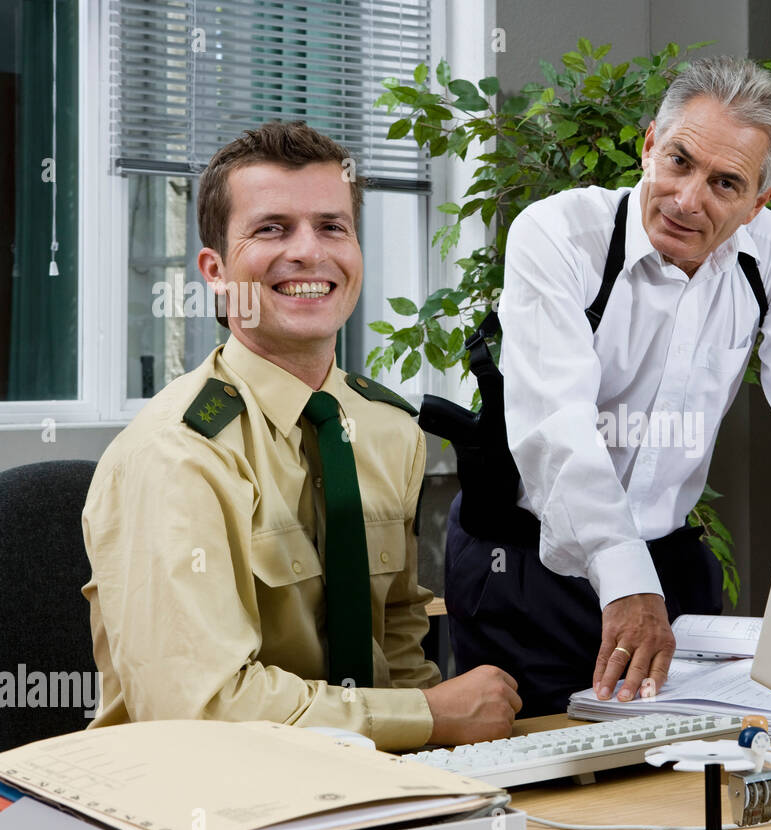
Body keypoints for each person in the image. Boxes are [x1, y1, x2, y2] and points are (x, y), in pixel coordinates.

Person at [81, 121, 520, 751]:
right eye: (272, 228)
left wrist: (457, 759)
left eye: (332, 226)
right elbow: (198, 713)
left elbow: (395, 641)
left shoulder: (387, 430)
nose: (310, 252)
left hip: (374, 796)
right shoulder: (175, 454)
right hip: (202, 812)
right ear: (214, 269)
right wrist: (427, 716)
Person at [445, 57, 771, 717]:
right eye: (679, 162)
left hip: (668, 562)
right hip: (531, 562)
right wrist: (624, 584)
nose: (688, 200)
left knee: (689, 771)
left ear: (759, 203)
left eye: (725, 183)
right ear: (650, 144)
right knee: (540, 777)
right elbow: (557, 430)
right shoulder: (560, 235)